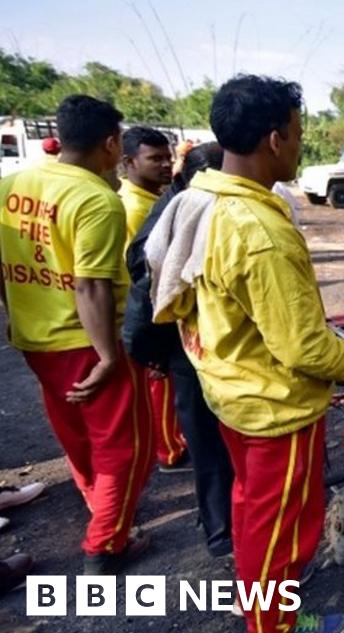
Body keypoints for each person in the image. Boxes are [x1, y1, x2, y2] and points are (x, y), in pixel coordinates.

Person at [144, 75, 344, 633]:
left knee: (251, 507)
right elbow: (305, 349)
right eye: (298, 134)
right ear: (273, 139)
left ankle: (257, 601)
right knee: (282, 522)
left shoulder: (203, 198)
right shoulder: (258, 231)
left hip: (230, 387)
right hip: (273, 405)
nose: (300, 144)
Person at [0, 94, 154, 574]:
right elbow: (90, 285)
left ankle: (100, 510)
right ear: (111, 145)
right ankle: (106, 546)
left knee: (77, 435)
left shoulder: (12, 184)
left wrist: (14, 310)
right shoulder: (95, 200)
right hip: (84, 341)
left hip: (36, 339)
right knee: (124, 448)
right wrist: (109, 356)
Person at [124, 141, 235, 557]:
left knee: (214, 441)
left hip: (194, 347)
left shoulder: (174, 208)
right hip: (190, 349)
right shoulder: (178, 216)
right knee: (209, 440)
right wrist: (150, 351)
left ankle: (222, 521)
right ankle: (223, 531)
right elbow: (144, 290)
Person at [118, 126, 189, 472]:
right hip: (149, 311)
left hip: (151, 310)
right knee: (160, 382)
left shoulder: (151, 200)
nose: (165, 165)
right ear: (129, 161)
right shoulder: (133, 209)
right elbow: (142, 272)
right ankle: (170, 450)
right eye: (155, 158)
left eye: (168, 157)